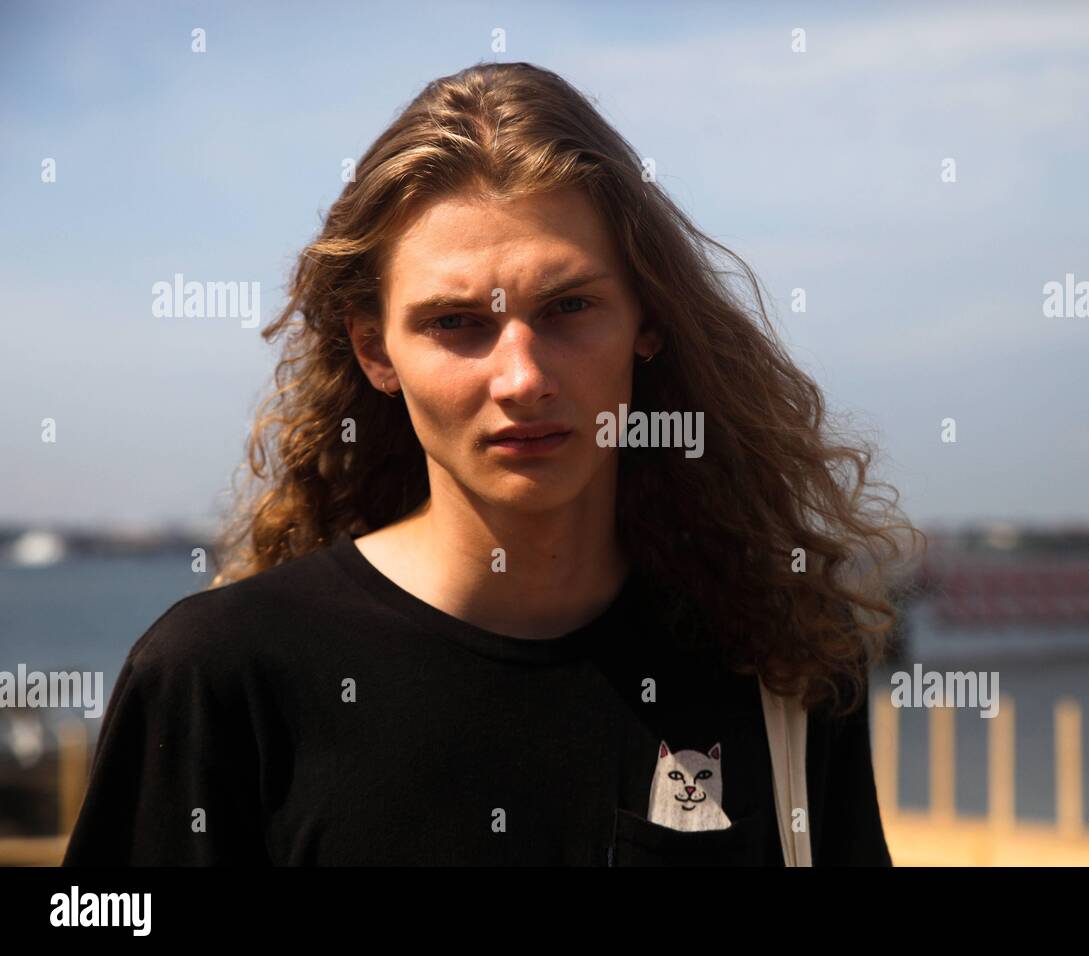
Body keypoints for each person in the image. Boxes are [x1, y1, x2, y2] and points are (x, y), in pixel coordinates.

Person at [62, 61, 919, 866]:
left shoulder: (782, 669)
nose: (524, 378)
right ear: (374, 351)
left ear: (647, 323)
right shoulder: (218, 683)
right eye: (457, 323)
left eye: (569, 306)